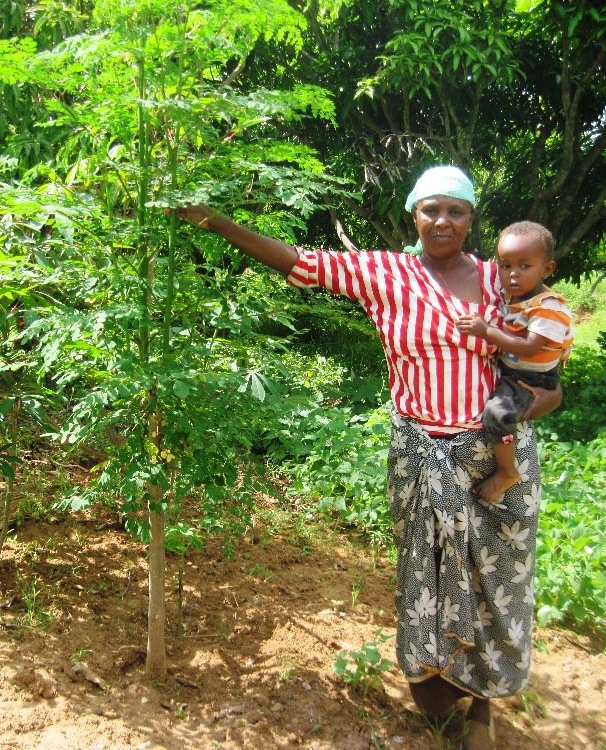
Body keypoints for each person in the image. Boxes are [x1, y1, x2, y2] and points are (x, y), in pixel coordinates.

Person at [174, 165, 561, 750]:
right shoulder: (384, 273)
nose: (442, 221)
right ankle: (436, 688)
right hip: (418, 451)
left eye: (456, 211)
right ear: (414, 214)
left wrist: (545, 398)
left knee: (493, 575)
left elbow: (547, 348)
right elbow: (299, 260)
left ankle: (482, 705)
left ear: (471, 219)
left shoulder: (498, 279)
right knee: (422, 572)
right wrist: (212, 219)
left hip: (489, 454)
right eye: (431, 209)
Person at [455, 222, 574, 501]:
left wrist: (487, 332)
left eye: (524, 266)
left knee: (497, 415)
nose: (512, 274)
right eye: (506, 265)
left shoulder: (548, 307)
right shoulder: (514, 296)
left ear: (547, 269)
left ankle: (506, 471)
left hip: (531, 380)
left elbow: (530, 347)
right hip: (514, 371)